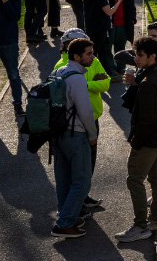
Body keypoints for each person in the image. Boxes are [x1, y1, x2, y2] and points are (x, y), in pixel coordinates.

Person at [115, 36, 157, 243]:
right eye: (136, 55)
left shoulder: (148, 83)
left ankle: (141, 226)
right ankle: (156, 220)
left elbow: (147, 120)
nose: (136, 59)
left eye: (140, 55)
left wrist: (137, 143)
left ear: (153, 56)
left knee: (135, 179)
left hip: (148, 141)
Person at [53, 29, 111, 210]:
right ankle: (70, 214)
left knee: (88, 163)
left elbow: (106, 83)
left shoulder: (91, 60)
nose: (92, 55)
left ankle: (78, 201)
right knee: (78, 173)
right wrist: (88, 84)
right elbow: (82, 103)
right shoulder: (61, 66)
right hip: (76, 126)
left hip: (92, 119)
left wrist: (88, 84)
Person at [51, 38, 97, 238]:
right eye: (89, 53)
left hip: (57, 134)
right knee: (82, 181)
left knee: (63, 179)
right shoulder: (77, 79)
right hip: (75, 134)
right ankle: (64, 223)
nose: (92, 56)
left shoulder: (58, 72)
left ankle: (67, 215)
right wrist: (92, 135)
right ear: (77, 57)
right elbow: (85, 111)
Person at [83, 0, 124, 76]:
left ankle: (107, 72)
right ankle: (89, 72)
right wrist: (119, 1)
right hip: (100, 28)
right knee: (95, 51)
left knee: (102, 51)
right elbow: (109, 12)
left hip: (91, 27)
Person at [105, 0, 136, 73]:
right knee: (107, 46)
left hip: (123, 24)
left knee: (120, 47)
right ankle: (110, 67)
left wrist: (133, 19)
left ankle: (121, 67)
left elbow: (132, 7)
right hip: (110, 24)